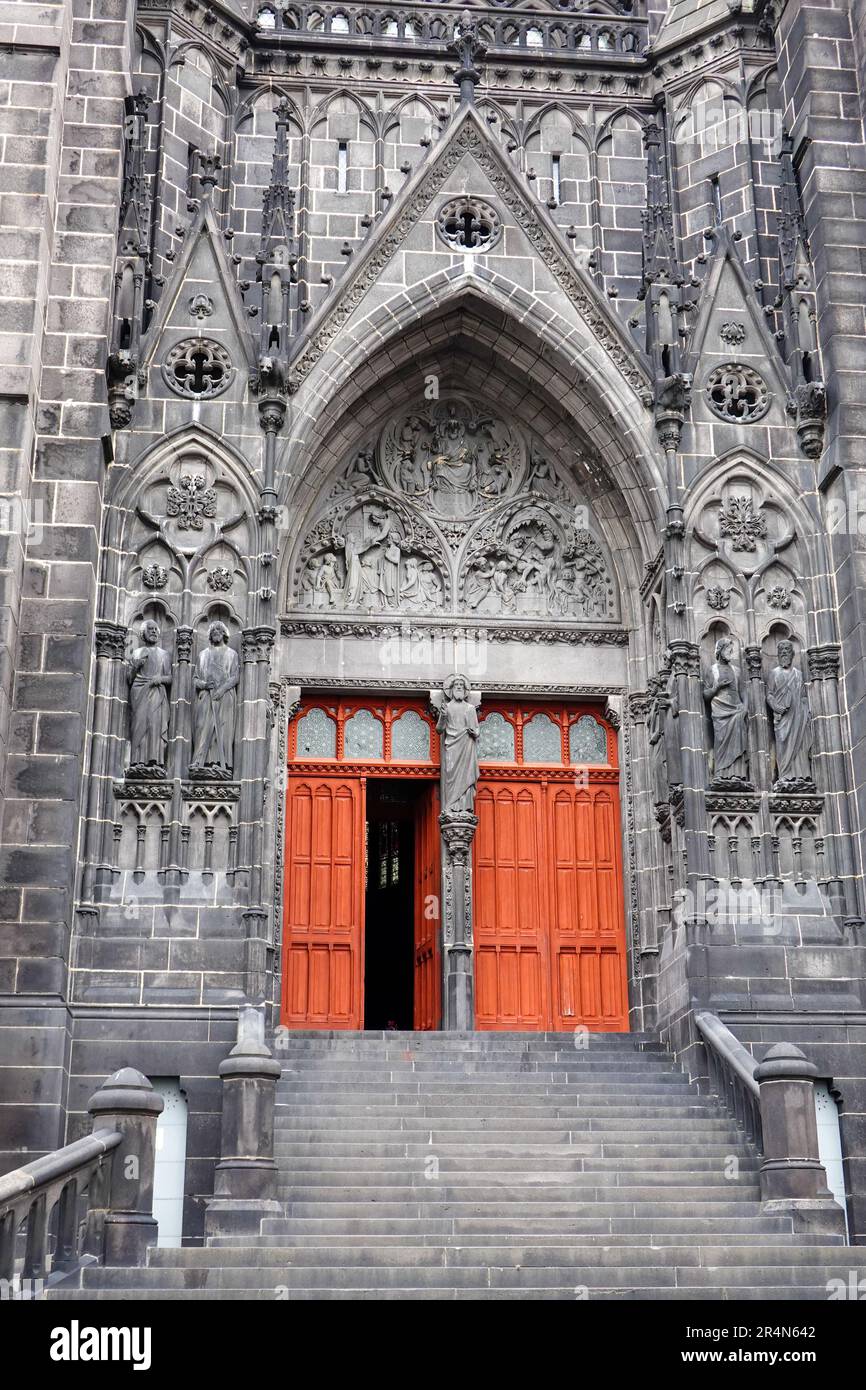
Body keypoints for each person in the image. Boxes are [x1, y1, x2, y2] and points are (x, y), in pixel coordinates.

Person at [190, 621, 239, 776]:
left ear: (224, 633)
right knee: (203, 727)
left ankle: (221, 763)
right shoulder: (202, 655)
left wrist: (222, 689)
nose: (216, 632)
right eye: (213, 630)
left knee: (223, 730)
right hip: (206, 697)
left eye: (219, 629)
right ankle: (201, 761)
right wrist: (205, 684)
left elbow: (235, 677)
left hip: (225, 698)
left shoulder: (232, 654)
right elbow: (195, 679)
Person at [127, 619, 172, 773]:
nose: (153, 631)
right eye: (150, 629)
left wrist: (159, 679)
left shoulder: (164, 654)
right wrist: (135, 666)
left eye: (155, 629)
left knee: (154, 725)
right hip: (139, 692)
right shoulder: (136, 652)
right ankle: (137, 760)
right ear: (143, 633)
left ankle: (155, 760)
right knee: (139, 724)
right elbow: (129, 678)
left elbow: (170, 678)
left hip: (156, 693)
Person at [766, 639, 813, 786]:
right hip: (783, 718)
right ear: (778, 655)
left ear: (792, 654)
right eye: (781, 652)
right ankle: (785, 775)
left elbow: (804, 696)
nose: (784, 654)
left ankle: (801, 775)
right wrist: (776, 707)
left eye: (787, 652)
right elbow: (769, 695)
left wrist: (805, 712)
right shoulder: (774, 673)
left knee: (799, 746)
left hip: (798, 717)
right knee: (784, 744)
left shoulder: (798, 674)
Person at [436, 674, 480, 814]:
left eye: (461, 686)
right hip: (452, 747)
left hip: (466, 746)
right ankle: (451, 806)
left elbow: (476, 730)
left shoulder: (470, 708)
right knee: (451, 776)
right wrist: (442, 716)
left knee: (466, 775)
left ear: (465, 690)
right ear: (452, 690)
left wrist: (474, 732)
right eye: (456, 686)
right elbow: (439, 729)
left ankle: (464, 806)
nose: (459, 688)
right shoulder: (446, 707)